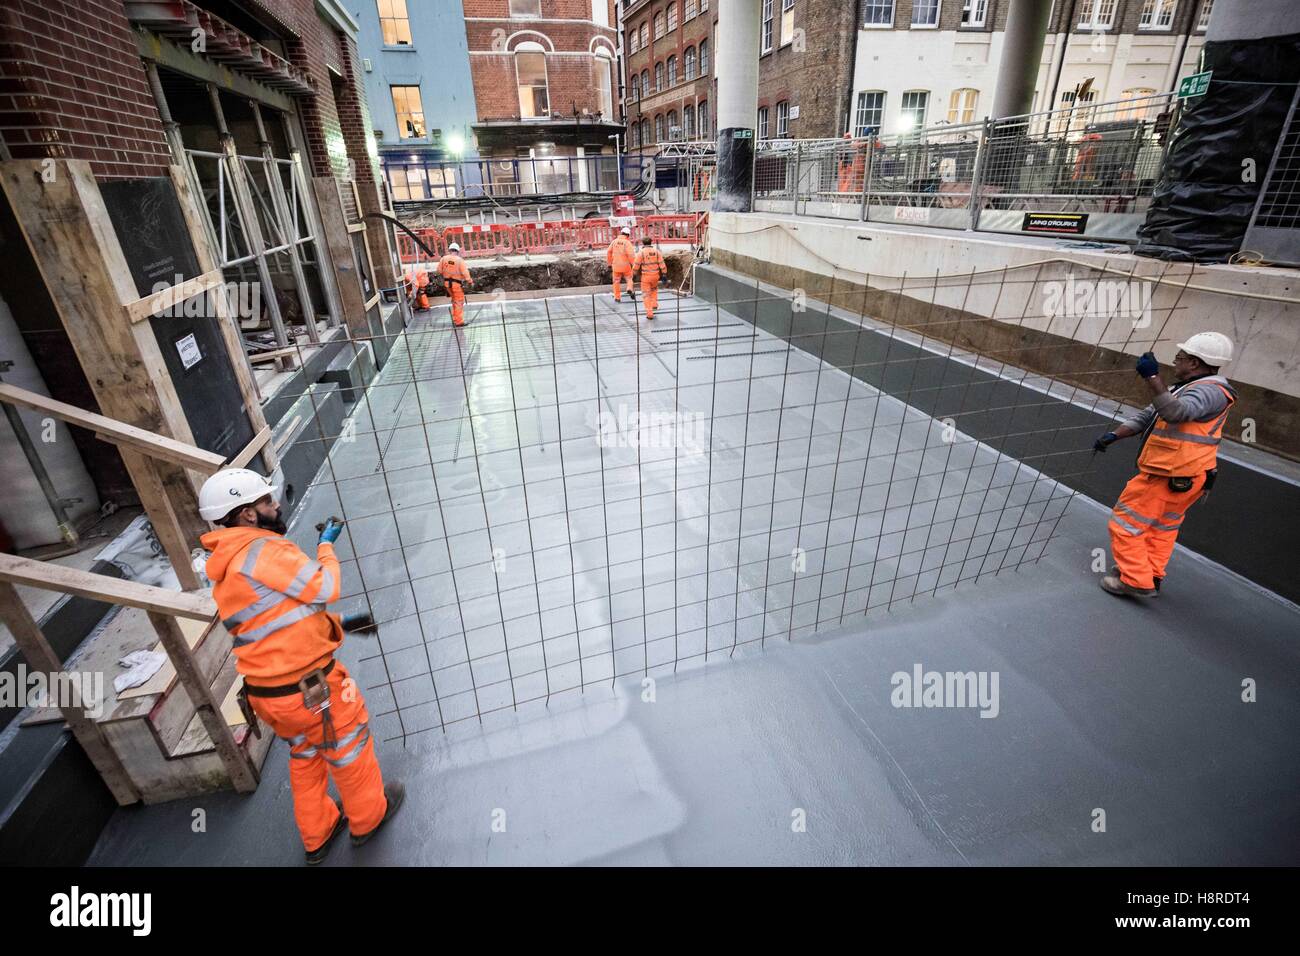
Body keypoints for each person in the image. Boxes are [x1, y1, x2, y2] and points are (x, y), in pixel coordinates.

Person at [198, 469, 403, 864]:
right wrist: (326, 547)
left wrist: (338, 625)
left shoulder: (225, 570)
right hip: (312, 692)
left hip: (269, 697)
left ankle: (319, 833)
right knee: (348, 749)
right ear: (248, 515)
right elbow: (325, 588)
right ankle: (369, 819)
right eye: (266, 501)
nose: (276, 505)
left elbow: (272, 624)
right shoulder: (265, 551)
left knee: (306, 755)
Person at [1092, 332, 1236, 597]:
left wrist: (1151, 377)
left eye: (1180, 357)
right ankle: (1151, 575)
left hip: (1169, 474)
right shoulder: (1183, 388)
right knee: (1161, 529)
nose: (1175, 360)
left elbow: (1175, 413)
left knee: (1125, 523)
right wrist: (1114, 435)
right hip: (1186, 476)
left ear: (1194, 363)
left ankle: (1135, 580)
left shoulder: (1212, 392)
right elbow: (1148, 416)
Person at [437, 242, 473, 327]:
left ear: (450, 250)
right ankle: (459, 321)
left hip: (447, 285)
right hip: (456, 285)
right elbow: (465, 272)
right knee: (459, 302)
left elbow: (439, 271)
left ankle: (455, 319)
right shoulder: (459, 260)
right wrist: (470, 281)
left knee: (454, 301)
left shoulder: (443, 259)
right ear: (457, 251)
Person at [632, 236, 666, 320]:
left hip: (646, 278)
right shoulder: (657, 252)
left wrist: (634, 274)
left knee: (646, 295)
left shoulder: (641, 253)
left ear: (643, 243)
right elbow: (662, 263)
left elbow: (636, 265)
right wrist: (664, 274)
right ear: (651, 242)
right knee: (654, 290)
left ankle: (649, 313)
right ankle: (654, 305)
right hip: (655, 276)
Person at [606, 226, 636, 302]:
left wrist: (609, 264)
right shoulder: (627, 242)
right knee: (629, 278)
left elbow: (609, 252)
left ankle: (617, 297)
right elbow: (631, 255)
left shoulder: (614, 241)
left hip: (616, 266)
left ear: (621, 233)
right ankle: (629, 289)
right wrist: (634, 265)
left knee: (616, 281)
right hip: (626, 266)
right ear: (628, 235)